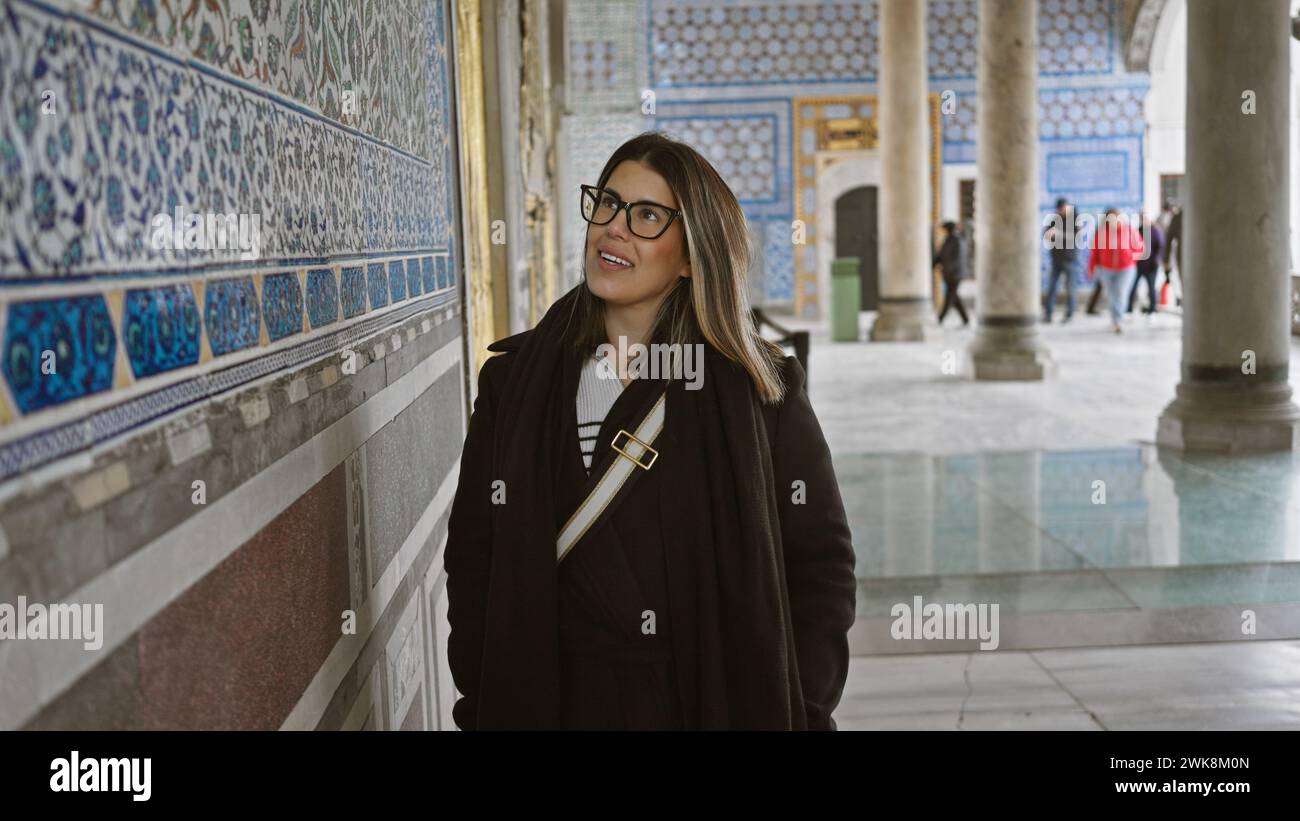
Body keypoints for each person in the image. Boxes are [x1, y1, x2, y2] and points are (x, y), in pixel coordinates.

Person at [443, 131, 858, 730]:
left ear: (692, 255)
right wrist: (482, 698)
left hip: (702, 704)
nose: (614, 228)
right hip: (551, 704)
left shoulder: (762, 392)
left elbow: (820, 566)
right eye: (607, 204)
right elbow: (474, 555)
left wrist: (802, 706)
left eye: (646, 217)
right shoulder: (514, 385)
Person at [1088, 208, 1144, 334]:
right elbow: (1095, 252)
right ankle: (1115, 320)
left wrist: (1131, 258)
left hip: (1126, 269)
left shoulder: (1130, 231)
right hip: (1106, 269)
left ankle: (1118, 321)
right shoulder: (1102, 233)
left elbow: (1140, 248)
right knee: (1111, 295)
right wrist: (1091, 268)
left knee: (1120, 293)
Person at [1042, 198, 1080, 322]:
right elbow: (1046, 234)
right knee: (1052, 286)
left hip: (1069, 259)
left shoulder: (1075, 218)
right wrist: (1049, 234)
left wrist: (1058, 234)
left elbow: (1074, 237)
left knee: (1070, 288)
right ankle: (1048, 313)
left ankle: (1069, 313)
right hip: (1056, 258)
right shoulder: (1054, 219)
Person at [1126, 212, 1164, 315]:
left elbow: (1160, 247)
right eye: (1142, 218)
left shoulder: (1155, 231)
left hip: (1151, 265)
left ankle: (1152, 309)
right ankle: (1128, 308)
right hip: (1139, 264)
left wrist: (1156, 260)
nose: (1144, 220)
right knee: (1132, 286)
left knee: (1151, 287)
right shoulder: (1138, 230)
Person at [933, 221, 969, 326]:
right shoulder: (947, 240)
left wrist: (947, 268)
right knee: (954, 297)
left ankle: (941, 318)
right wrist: (935, 263)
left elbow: (958, 260)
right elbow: (941, 255)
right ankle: (965, 319)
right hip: (948, 274)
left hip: (955, 274)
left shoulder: (958, 241)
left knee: (949, 296)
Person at [1163, 204, 1183, 306]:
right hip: (1183, 258)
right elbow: (1168, 239)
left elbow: (1168, 239)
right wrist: (1165, 261)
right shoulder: (1178, 218)